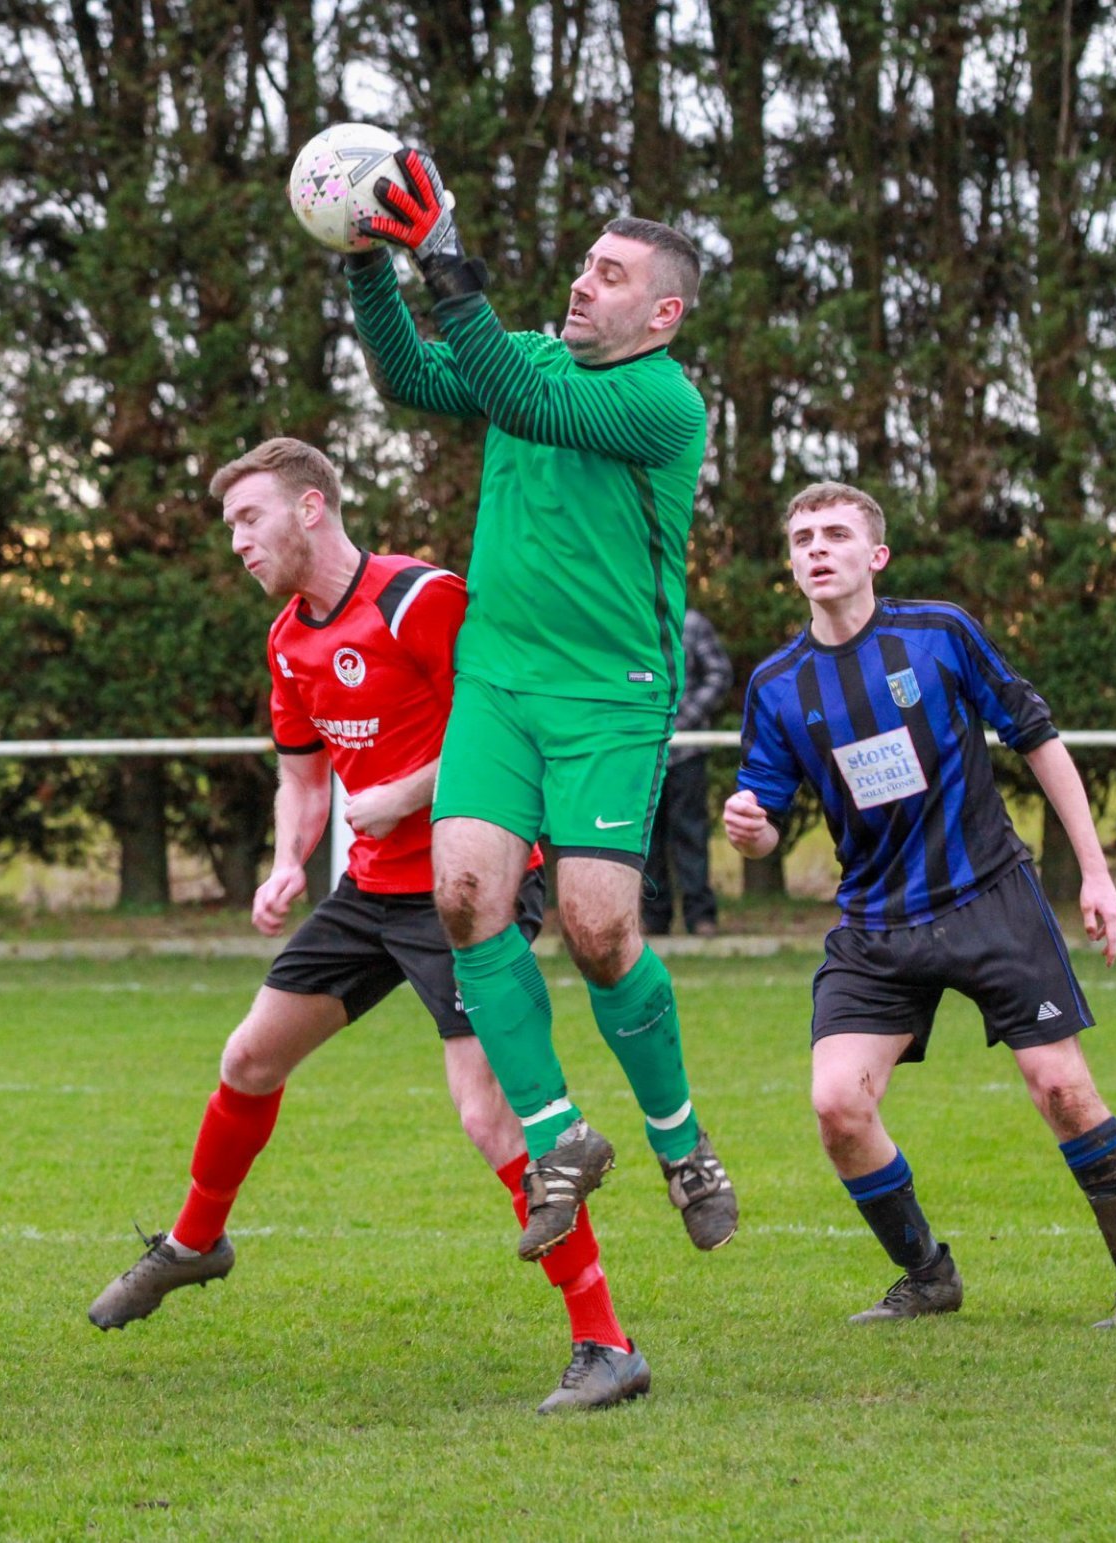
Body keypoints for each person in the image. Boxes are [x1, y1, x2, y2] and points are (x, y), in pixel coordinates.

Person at [87, 438, 651, 1413]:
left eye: (249, 518)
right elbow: (303, 778)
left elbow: (507, 728)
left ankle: (607, 1343)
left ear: (311, 507)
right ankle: (195, 1242)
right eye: (230, 526)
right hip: (370, 892)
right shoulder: (286, 640)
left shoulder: (419, 599)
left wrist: (403, 794)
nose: (237, 542)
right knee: (248, 1057)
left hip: (470, 881)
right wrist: (286, 862)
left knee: (489, 1116)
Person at [339, 152, 737, 1264]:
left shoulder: (663, 401)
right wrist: (368, 260)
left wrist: (444, 260)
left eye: (610, 275)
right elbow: (411, 375)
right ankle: (561, 1136)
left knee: (599, 931)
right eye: (585, 263)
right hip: (499, 684)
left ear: (662, 314)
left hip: (610, 697)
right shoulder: (526, 357)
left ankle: (683, 1142)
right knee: (465, 898)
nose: (581, 281)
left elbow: (528, 402)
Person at [722, 481, 1116, 1330]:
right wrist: (749, 829)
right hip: (876, 923)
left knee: (1062, 1088)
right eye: (803, 538)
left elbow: (1036, 736)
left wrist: (1095, 871)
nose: (817, 549)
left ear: (876, 555)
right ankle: (928, 1275)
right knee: (837, 1104)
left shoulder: (938, 634)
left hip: (988, 896)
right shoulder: (778, 684)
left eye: (835, 534)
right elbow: (765, 827)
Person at [642, 608, 732, 939]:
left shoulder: (692, 623)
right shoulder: (631, 621)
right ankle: (654, 918)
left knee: (690, 835)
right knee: (646, 840)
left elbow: (718, 675)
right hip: (643, 756)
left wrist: (681, 721)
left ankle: (701, 917)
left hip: (687, 753)